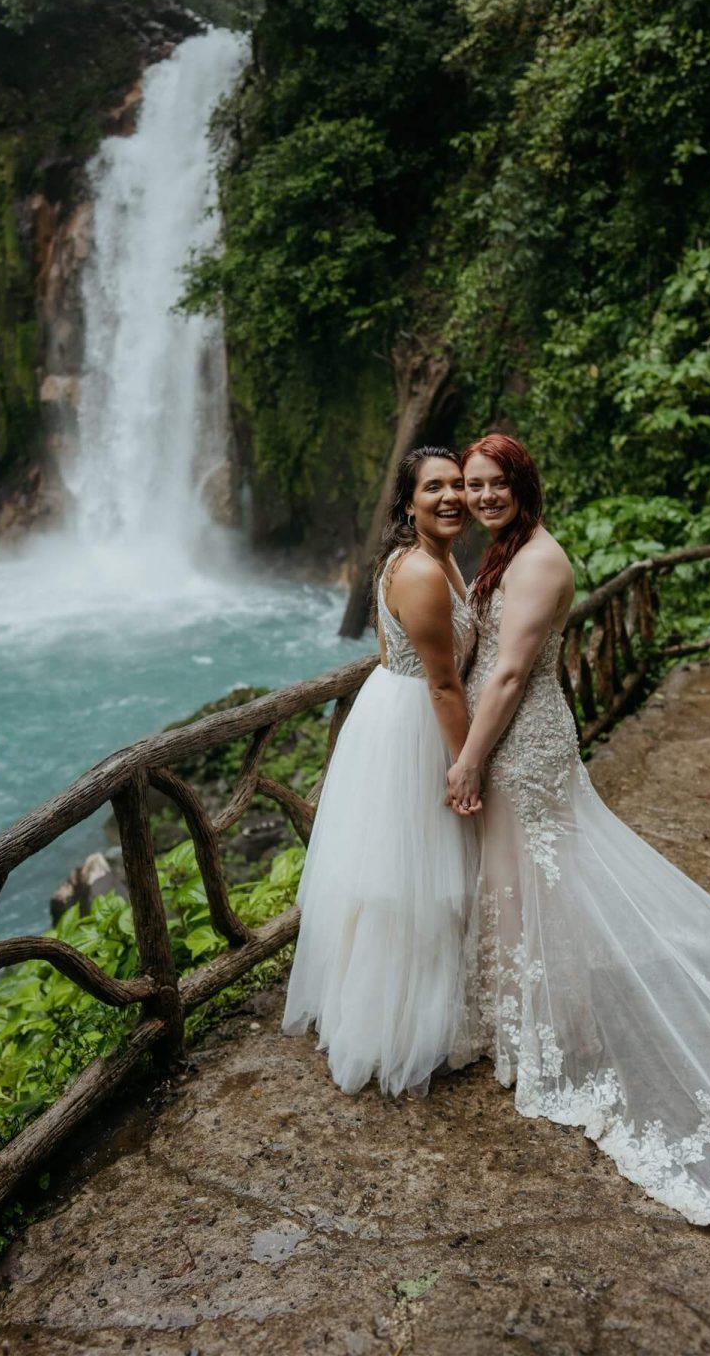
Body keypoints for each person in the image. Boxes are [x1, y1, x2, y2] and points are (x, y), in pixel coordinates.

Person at [447, 431, 710, 1279]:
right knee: (516, 880)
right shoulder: (502, 549)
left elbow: (506, 676)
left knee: (539, 877)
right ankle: (526, 1011)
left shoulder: (539, 560)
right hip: (506, 741)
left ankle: (550, 1025)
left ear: (523, 485)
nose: (484, 495)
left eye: (497, 483)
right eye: (473, 484)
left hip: (520, 741)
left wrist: (468, 757)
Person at [282, 446, 477, 1096]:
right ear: (408, 502)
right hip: (416, 724)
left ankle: (391, 1014)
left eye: (457, 485)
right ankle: (398, 1032)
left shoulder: (428, 556)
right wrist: (468, 765)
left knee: (401, 876)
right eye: (434, 488)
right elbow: (446, 686)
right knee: (413, 882)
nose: (450, 497)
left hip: (394, 710)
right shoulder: (421, 571)